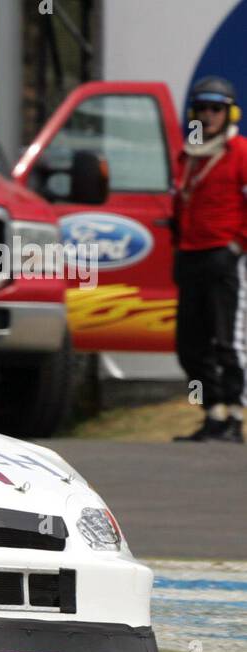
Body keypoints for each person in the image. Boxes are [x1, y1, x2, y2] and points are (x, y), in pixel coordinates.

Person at [173, 75, 247, 443]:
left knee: (224, 341)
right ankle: (212, 412)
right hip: (189, 258)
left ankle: (234, 416)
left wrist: (237, 245)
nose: (208, 115)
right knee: (189, 345)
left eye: (216, 108)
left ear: (230, 112)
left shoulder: (241, 152)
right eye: (201, 108)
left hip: (222, 257)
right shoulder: (187, 154)